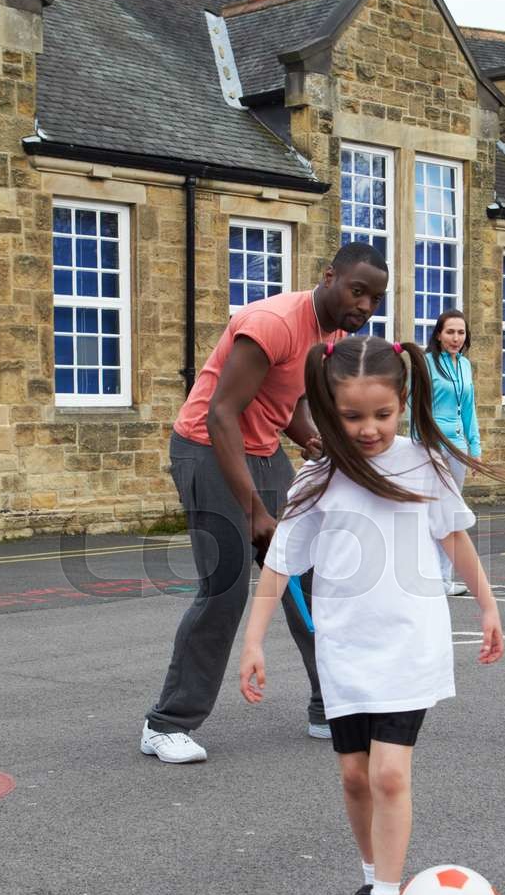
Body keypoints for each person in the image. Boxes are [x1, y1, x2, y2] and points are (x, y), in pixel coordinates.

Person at [238, 335, 503, 895]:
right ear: (329, 409)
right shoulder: (318, 475)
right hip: (344, 647)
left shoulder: (425, 464)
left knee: (388, 773)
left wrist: (489, 605)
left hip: (410, 643)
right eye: (352, 416)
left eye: (382, 415)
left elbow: (456, 539)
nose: (367, 429)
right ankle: (373, 878)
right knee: (354, 776)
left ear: (404, 402)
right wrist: (253, 640)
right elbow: (281, 562)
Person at [140, 243, 389, 765]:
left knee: (308, 576)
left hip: (263, 449)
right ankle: (167, 724)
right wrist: (255, 510)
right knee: (225, 589)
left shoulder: (334, 333)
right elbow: (221, 414)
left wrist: (311, 438)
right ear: (329, 277)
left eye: (375, 298)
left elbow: (286, 401)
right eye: (358, 290)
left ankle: (330, 707)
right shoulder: (273, 322)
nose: (365, 304)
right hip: (207, 449)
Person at [423, 309, 481, 596]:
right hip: (431, 445)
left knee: (451, 512)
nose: (456, 338)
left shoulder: (466, 366)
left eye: (460, 332)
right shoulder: (426, 363)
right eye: (450, 332)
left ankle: (444, 579)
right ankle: (427, 574)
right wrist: (420, 444)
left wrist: (475, 449)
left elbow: (470, 411)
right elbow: (414, 407)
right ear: (438, 334)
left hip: (458, 447)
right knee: (429, 510)